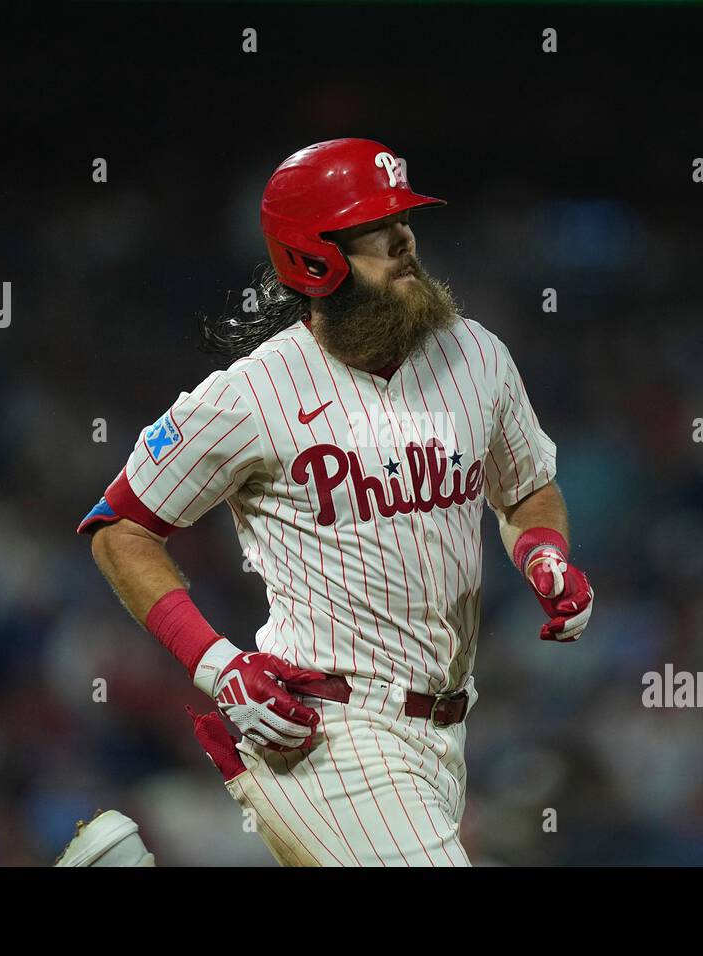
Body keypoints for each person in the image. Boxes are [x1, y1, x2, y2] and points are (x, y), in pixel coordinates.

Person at [76, 138, 593, 866]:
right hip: (320, 728)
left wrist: (544, 551)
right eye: (376, 226)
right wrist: (219, 666)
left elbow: (527, 489)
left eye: (404, 217)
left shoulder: (476, 355)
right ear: (313, 257)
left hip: (443, 735)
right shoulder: (254, 392)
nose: (405, 239)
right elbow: (118, 527)